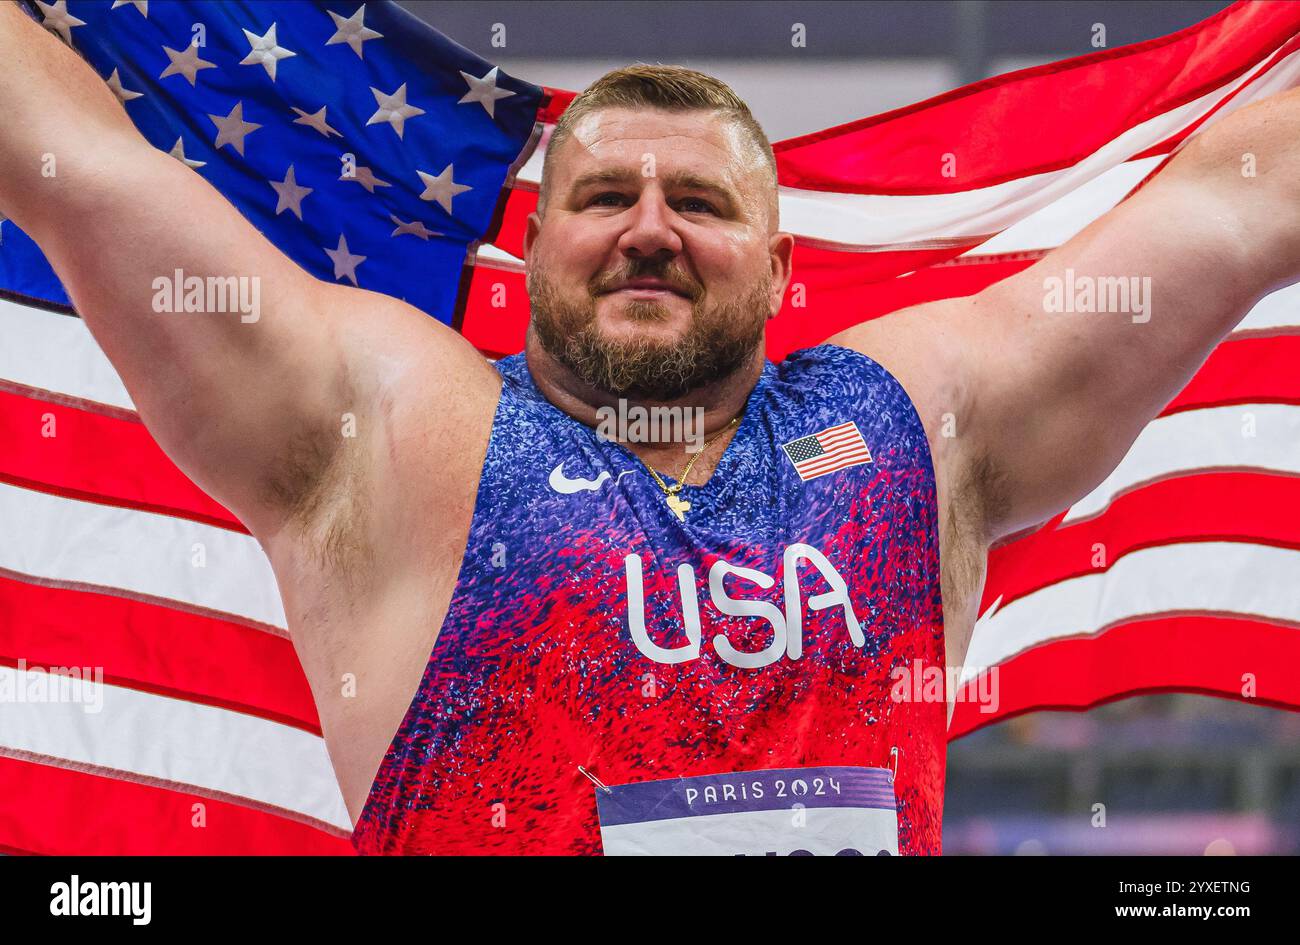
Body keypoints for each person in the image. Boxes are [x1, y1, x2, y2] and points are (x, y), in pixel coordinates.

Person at [1, 4, 1296, 854]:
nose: (651, 226)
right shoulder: (396, 434)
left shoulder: (912, 427)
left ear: (784, 269)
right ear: (536, 243)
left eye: (702, 201)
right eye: (606, 192)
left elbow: (1229, 213)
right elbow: (83, 163)